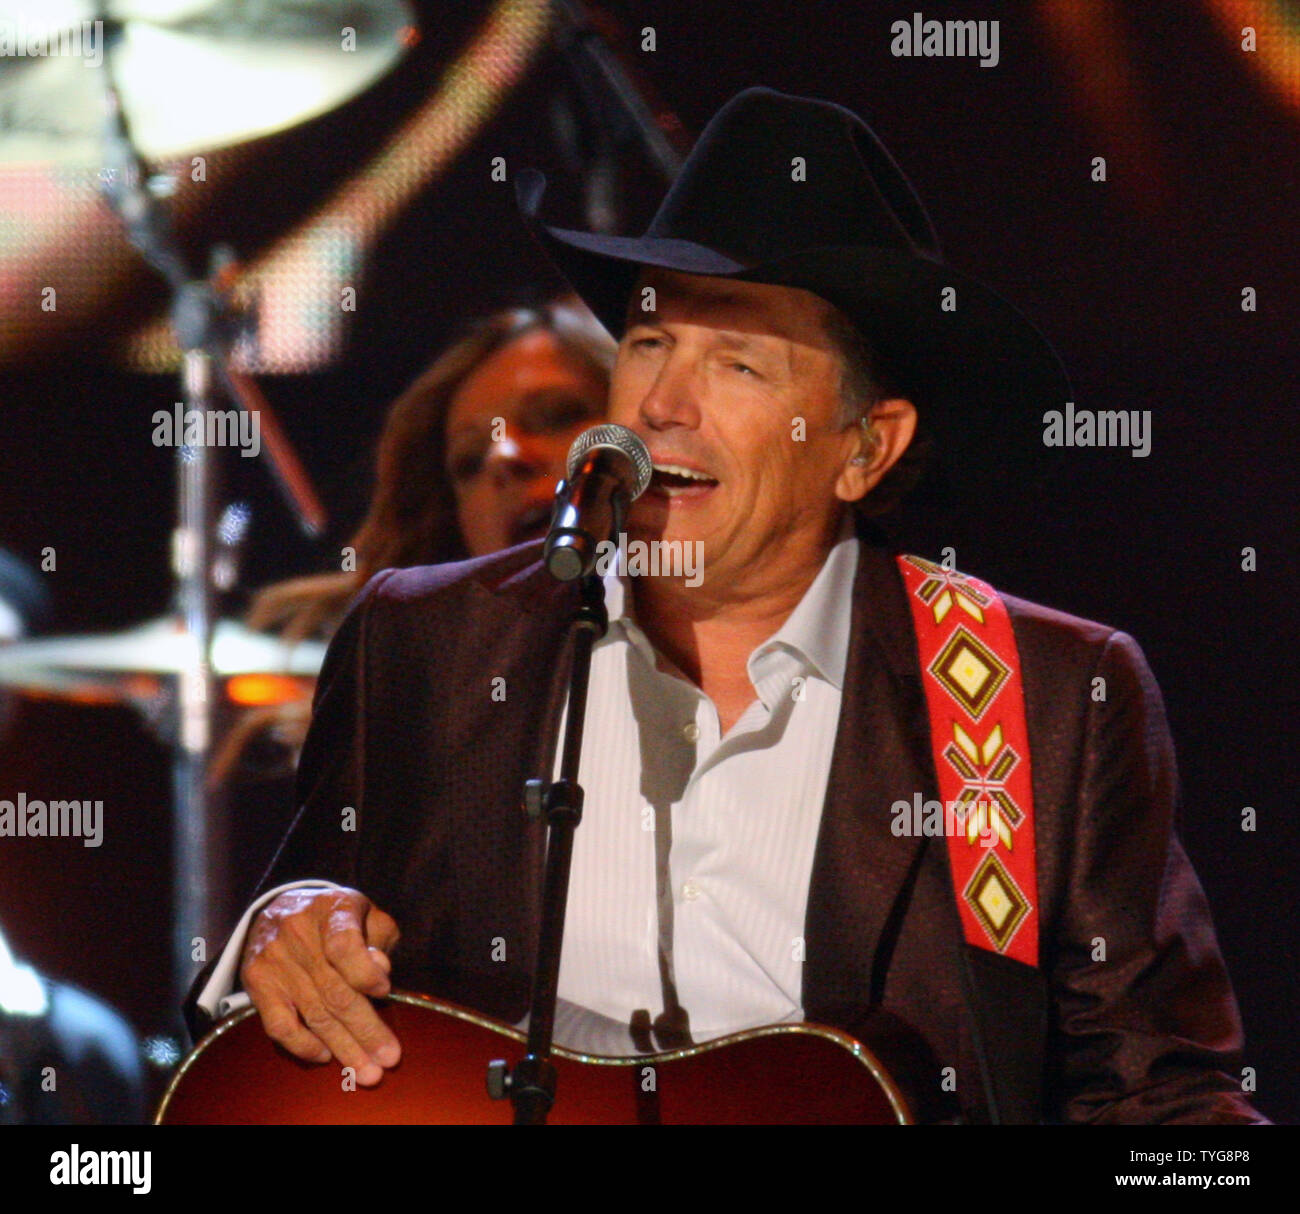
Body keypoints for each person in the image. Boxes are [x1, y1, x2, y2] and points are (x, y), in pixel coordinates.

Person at [192, 88, 1263, 1123]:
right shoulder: (426, 643)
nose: (661, 401)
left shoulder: (1045, 699)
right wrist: (283, 927)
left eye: (738, 360)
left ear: (863, 446)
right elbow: (288, 958)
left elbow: (1156, 1092)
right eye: (650, 341)